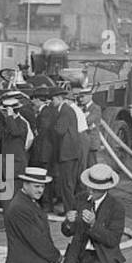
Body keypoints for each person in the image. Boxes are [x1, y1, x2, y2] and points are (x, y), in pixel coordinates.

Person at [52, 85, 84, 213]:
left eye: (53, 99)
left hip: (67, 153)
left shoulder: (64, 111)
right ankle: (72, 208)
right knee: (70, 182)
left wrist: (52, 128)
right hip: (72, 152)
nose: (51, 101)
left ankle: (69, 210)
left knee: (67, 183)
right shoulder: (68, 109)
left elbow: (60, 131)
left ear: (59, 98)